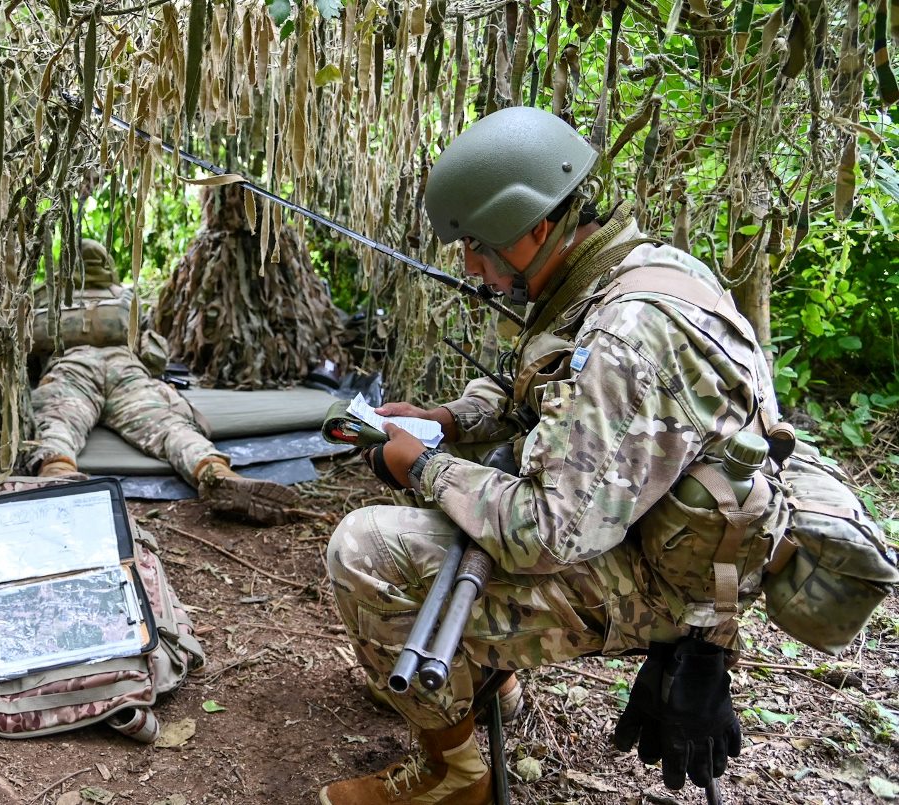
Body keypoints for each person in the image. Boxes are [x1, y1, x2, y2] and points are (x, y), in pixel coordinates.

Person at [318, 106, 781, 804]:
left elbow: (543, 532)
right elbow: (548, 400)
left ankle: (456, 777)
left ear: (535, 227)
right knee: (431, 518)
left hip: (670, 583)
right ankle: (490, 688)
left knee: (365, 550)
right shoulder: (633, 269)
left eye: (478, 243)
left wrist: (423, 467)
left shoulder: (627, 335)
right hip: (655, 531)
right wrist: (446, 419)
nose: (472, 265)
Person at [29, 238, 301, 526]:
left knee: (58, 419)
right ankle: (214, 470)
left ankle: (57, 472)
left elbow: (28, 354)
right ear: (106, 265)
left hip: (72, 366)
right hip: (126, 369)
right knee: (169, 426)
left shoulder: (46, 299)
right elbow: (153, 355)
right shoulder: (124, 297)